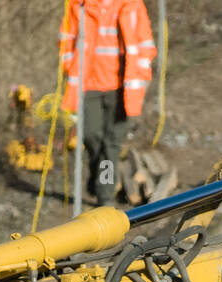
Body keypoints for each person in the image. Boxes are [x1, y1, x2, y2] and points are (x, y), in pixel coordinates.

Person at [60, 0, 156, 206]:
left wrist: (141, 78)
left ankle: (105, 194)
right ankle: (97, 175)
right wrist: (70, 67)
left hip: (121, 89)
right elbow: (66, 40)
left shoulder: (132, 5)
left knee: (111, 144)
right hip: (89, 86)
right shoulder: (79, 6)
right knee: (91, 136)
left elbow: (145, 44)